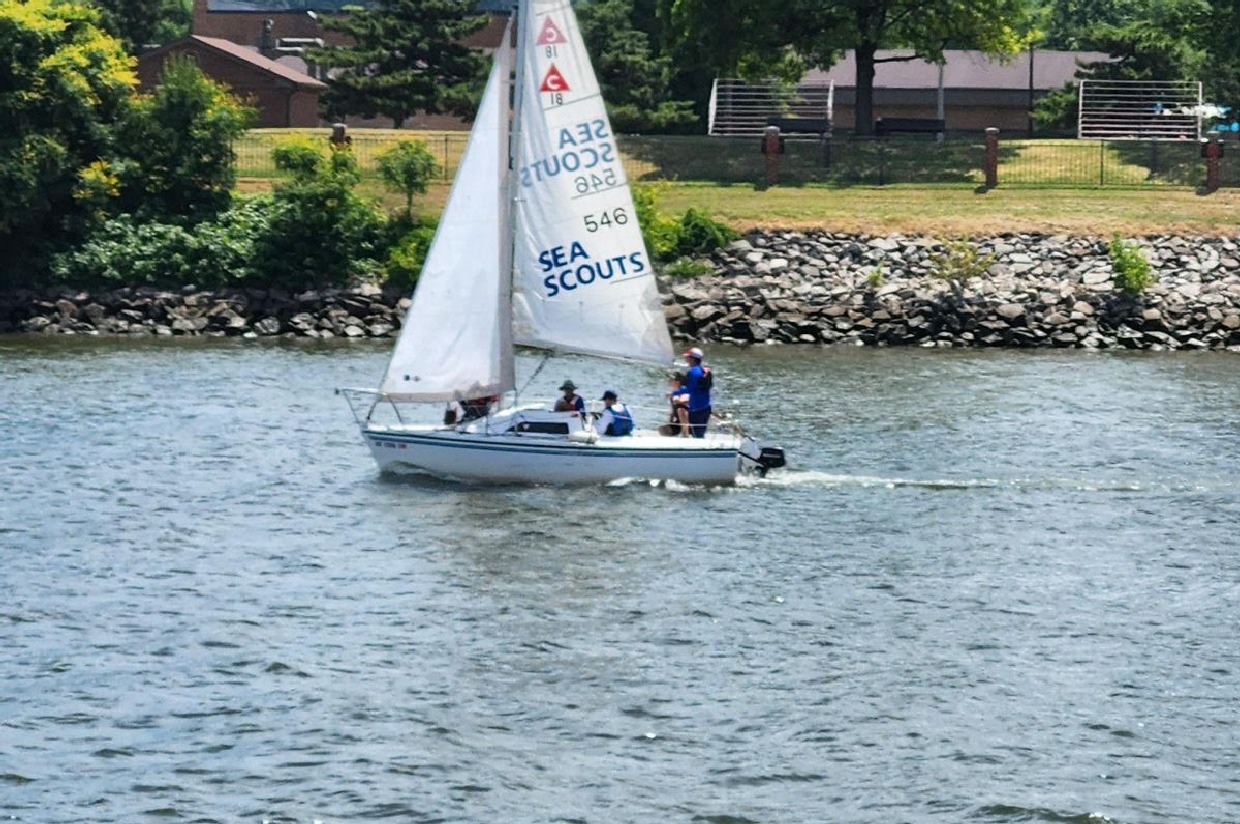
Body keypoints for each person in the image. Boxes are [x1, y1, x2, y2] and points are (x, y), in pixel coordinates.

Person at [683, 346, 713, 438]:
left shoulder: (692, 372)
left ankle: (701, 450)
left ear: (692, 359)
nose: (686, 359)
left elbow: (689, 389)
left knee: (695, 434)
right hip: (706, 407)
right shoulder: (704, 371)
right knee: (700, 433)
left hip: (696, 408)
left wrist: (675, 392)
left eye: (687, 358)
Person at [659, 372, 690, 437]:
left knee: (680, 410)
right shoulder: (675, 392)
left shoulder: (684, 389)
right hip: (678, 420)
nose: (669, 381)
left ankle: (685, 435)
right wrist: (670, 422)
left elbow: (686, 401)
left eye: (671, 380)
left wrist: (673, 396)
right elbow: (673, 410)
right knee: (662, 429)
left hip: (687, 419)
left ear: (677, 382)